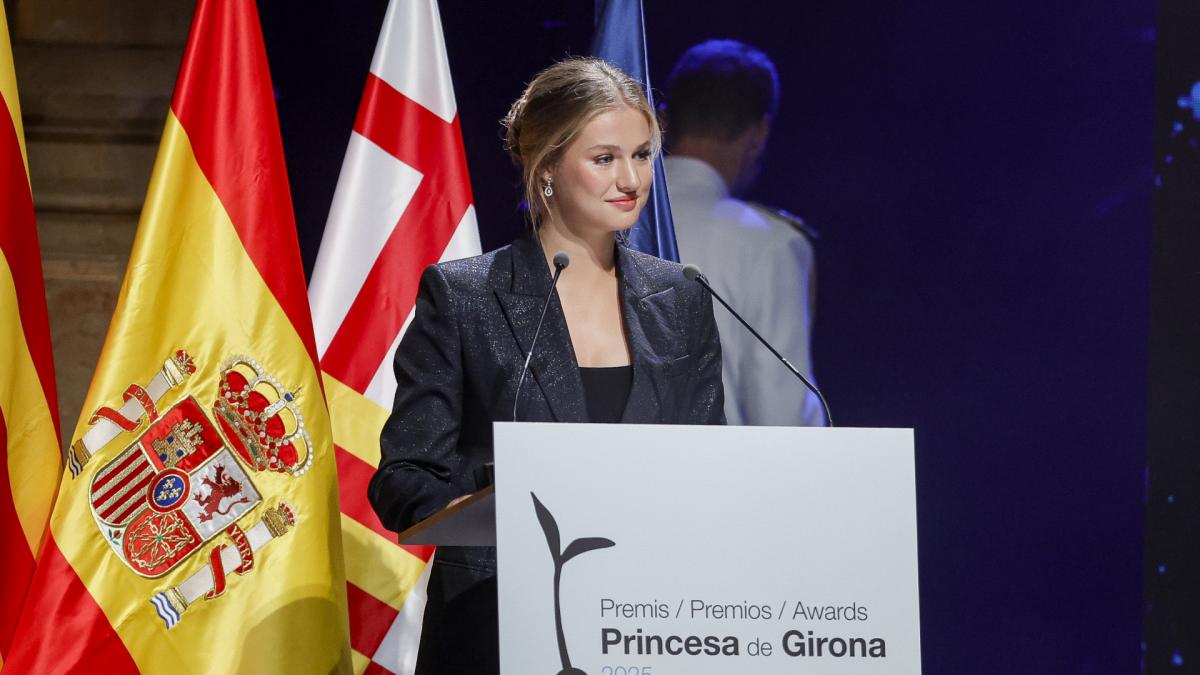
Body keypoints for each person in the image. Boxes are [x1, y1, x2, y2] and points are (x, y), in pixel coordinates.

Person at [368, 57, 725, 674]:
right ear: (548, 170)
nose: (631, 179)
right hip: (498, 624)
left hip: (651, 625)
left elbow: (710, 468)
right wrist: (497, 500)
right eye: (605, 158)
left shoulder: (682, 298)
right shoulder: (465, 297)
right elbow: (405, 477)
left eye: (641, 155)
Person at [663, 39, 825, 426]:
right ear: (760, 133)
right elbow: (781, 415)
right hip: (724, 480)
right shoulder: (769, 244)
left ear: (662, 119)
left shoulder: (596, 222)